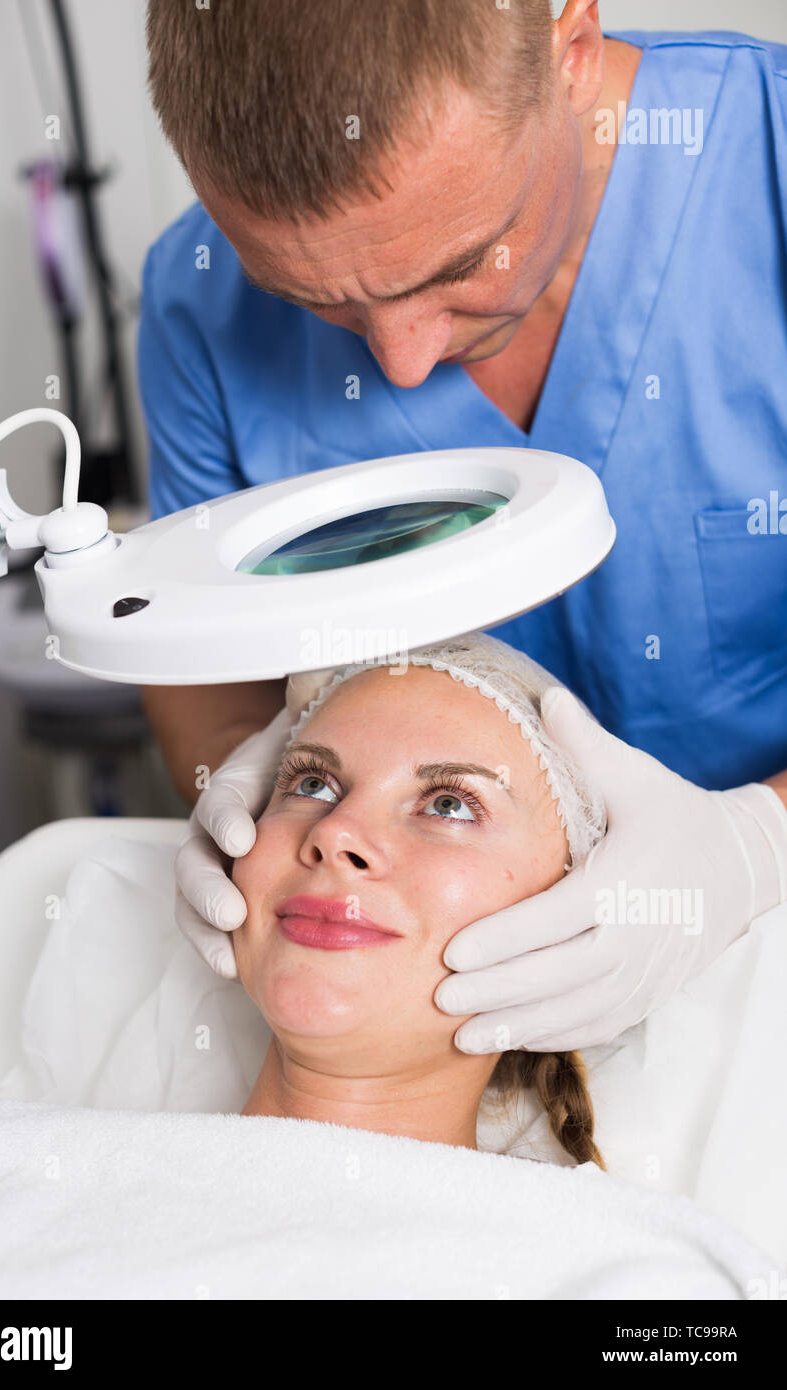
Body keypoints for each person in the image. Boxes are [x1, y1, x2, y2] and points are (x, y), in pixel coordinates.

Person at [138, 1, 787, 1052]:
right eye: (322, 305)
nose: (400, 360)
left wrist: (757, 846)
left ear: (566, 47)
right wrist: (249, 788)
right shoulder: (198, 302)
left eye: (459, 264)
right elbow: (203, 679)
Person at [231, 631, 606, 1164]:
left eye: (450, 804)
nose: (336, 834)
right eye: (312, 783)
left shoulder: (613, 1247)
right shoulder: (75, 1169)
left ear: (567, 916)